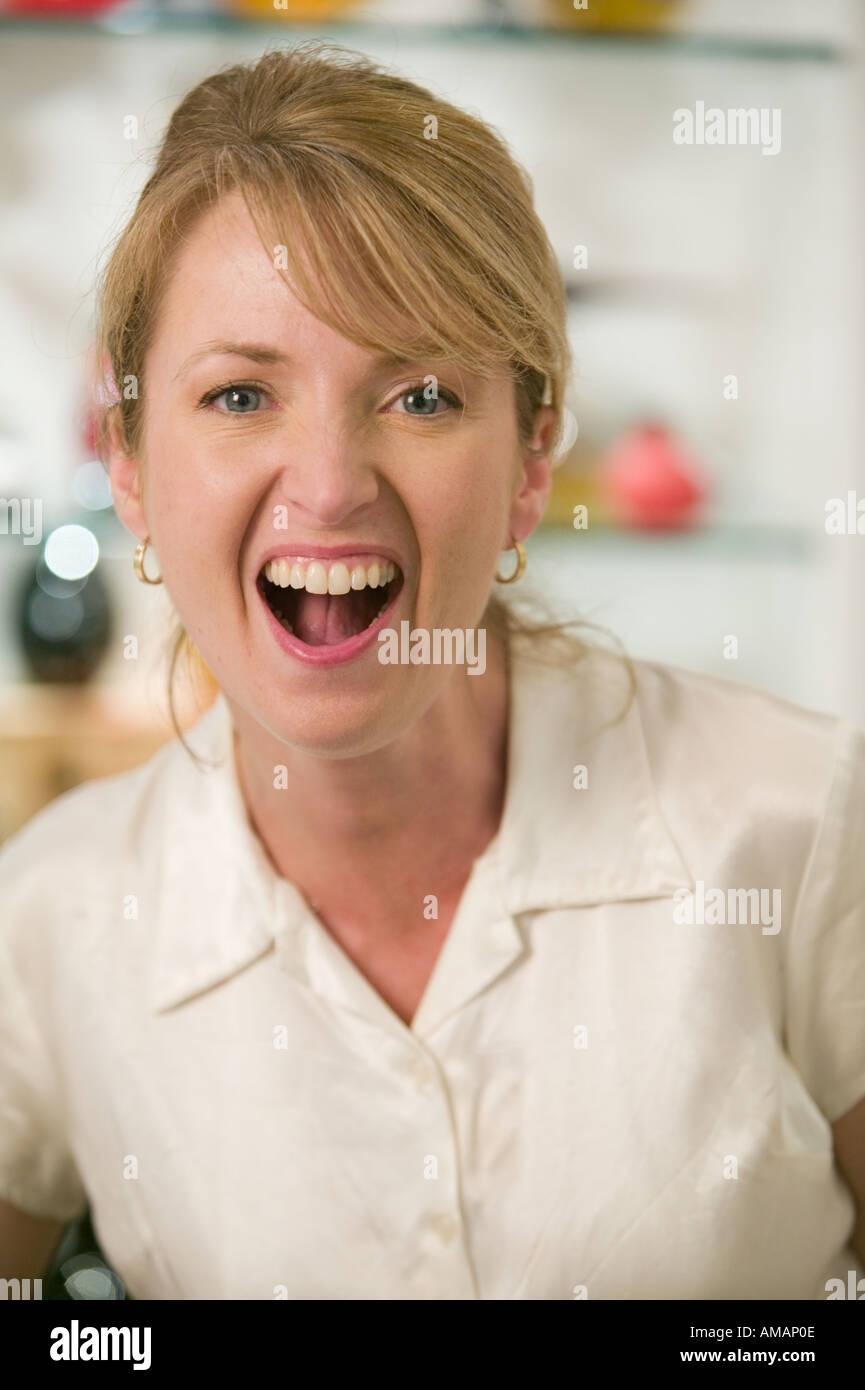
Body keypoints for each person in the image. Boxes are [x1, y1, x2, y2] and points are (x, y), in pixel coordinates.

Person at [1, 43, 864, 1301]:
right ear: (125, 460)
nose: (331, 485)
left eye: (417, 395)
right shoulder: (53, 916)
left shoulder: (798, 818)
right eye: (242, 396)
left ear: (528, 464)